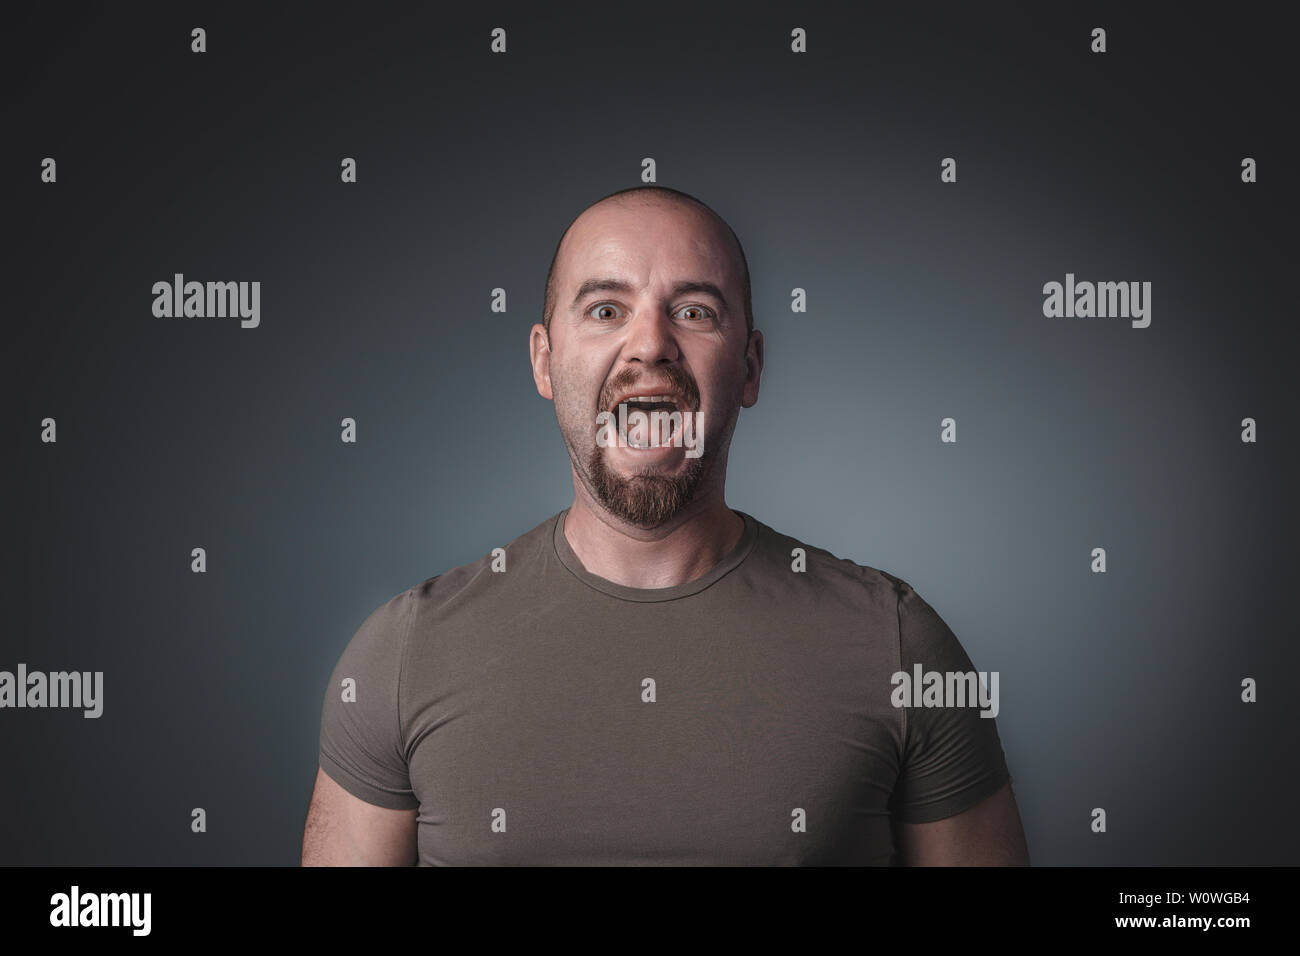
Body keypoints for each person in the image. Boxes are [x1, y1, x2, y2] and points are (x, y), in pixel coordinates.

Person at [301, 185, 1030, 866]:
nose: (650, 344)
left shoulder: (899, 646)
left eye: (694, 311)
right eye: (606, 310)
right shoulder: (401, 656)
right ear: (545, 362)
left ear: (749, 368)